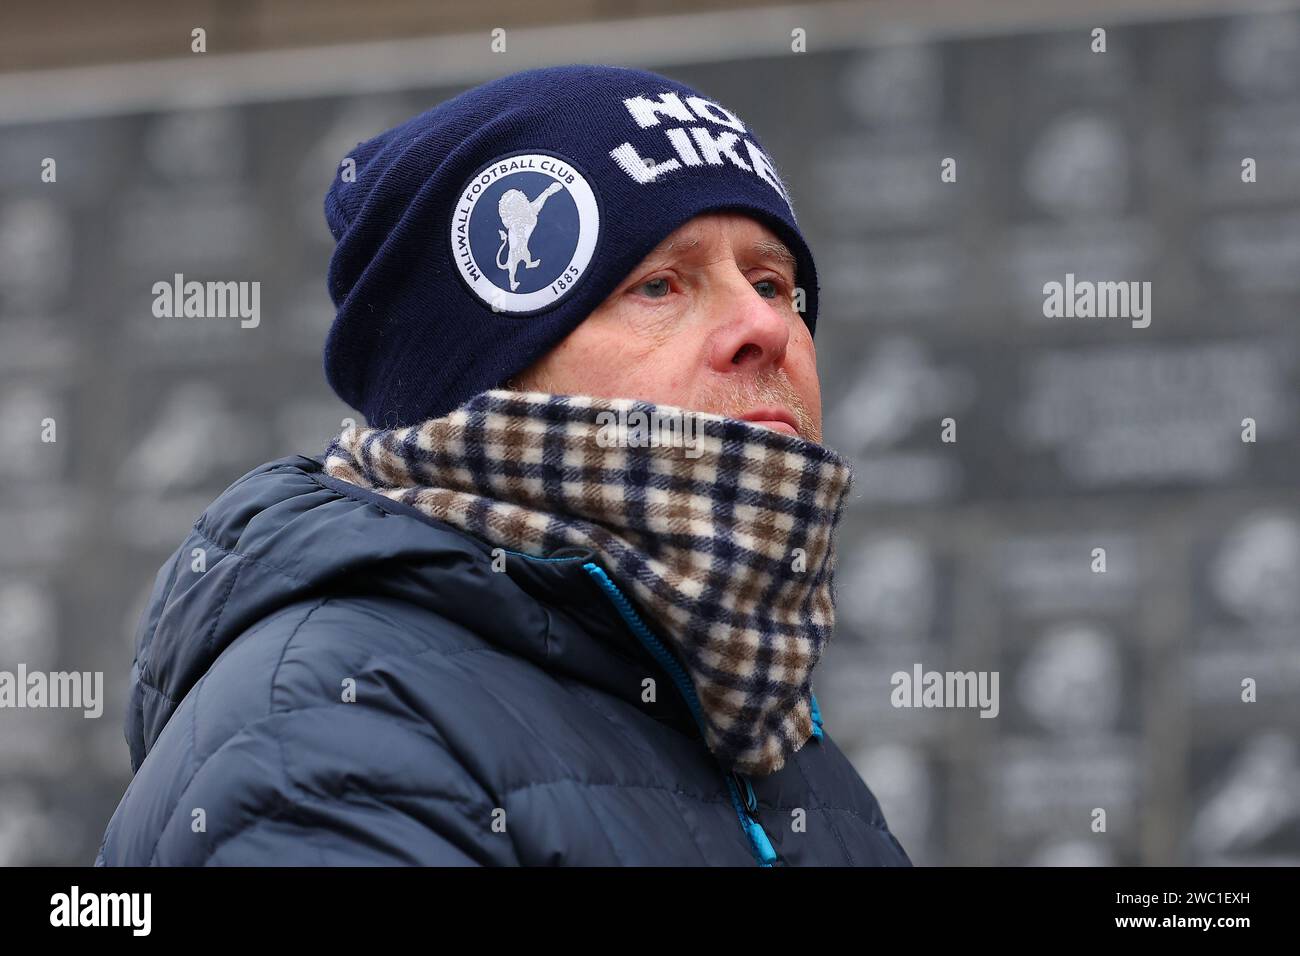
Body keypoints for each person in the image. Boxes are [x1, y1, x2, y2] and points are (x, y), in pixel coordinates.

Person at [95, 64, 911, 866]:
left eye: (773, 283)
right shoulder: (332, 741)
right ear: (483, 381)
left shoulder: (777, 744)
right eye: (659, 285)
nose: (764, 325)